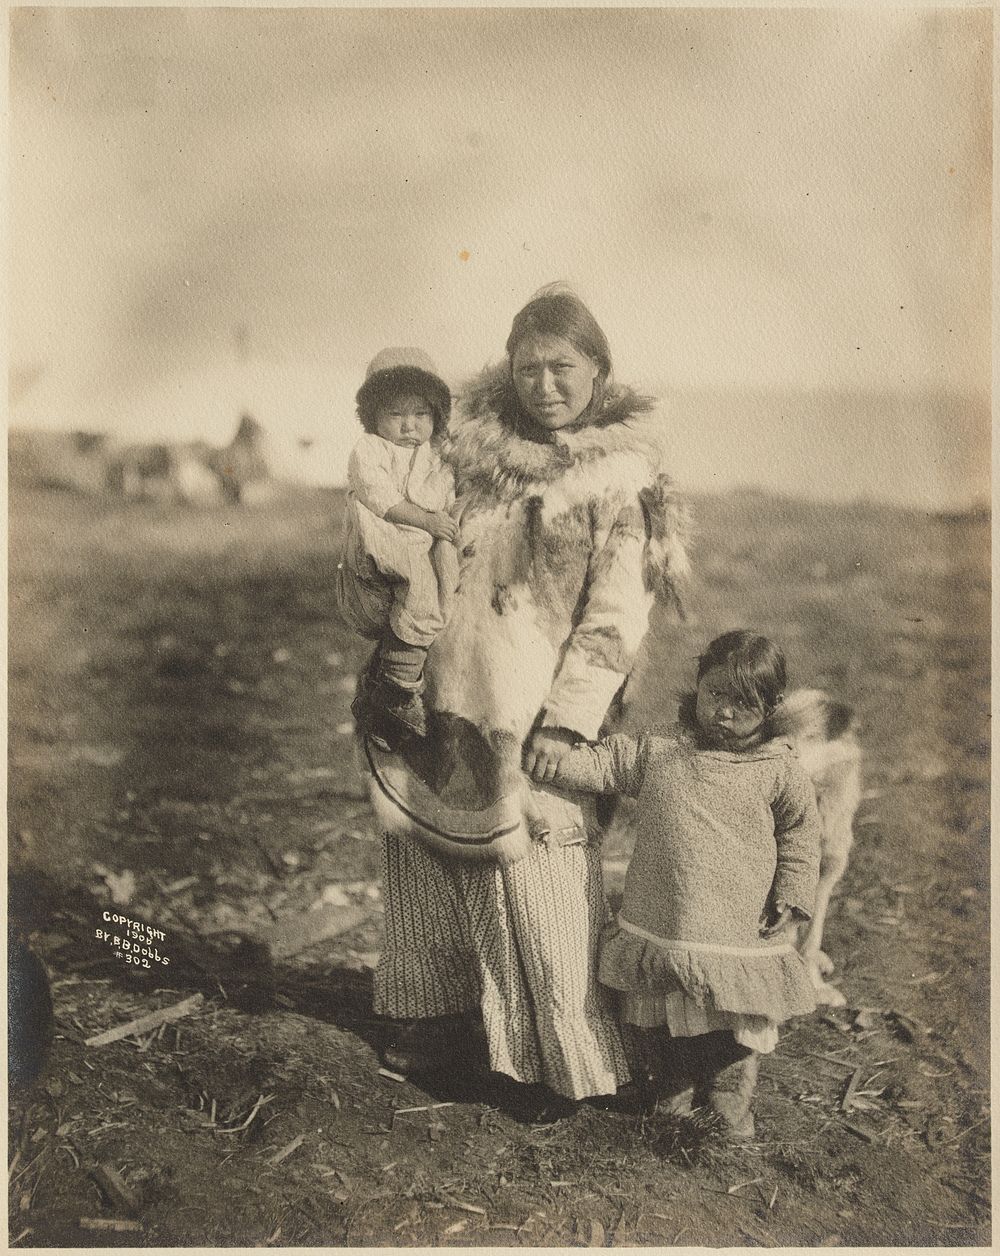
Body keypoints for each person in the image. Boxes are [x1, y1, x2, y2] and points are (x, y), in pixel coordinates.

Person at [366, 285, 691, 1108]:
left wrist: (569, 720)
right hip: (443, 692)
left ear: (599, 371)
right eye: (528, 369)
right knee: (428, 861)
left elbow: (619, 612)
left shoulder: (622, 476)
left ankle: (562, 1067)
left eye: (562, 368)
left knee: (538, 872)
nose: (544, 385)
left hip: (534, 710)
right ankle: (440, 1030)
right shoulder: (469, 456)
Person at [548, 630, 822, 1139]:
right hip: (665, 915)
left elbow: (801, 832)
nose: (723, 713)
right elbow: (610, 762)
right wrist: (557, 760)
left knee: (731, 1017)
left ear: (773, 705)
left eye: (743, 703)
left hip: (736, 924)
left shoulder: (778, 768)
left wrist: (792, 890)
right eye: (714, 694)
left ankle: (728, 1092)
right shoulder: (663, 748)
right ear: (697, 686)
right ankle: (671, 1083)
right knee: (664, 1008)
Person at [336, 348, 459, 746]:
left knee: (443, 582)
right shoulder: (369, 450)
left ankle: (392, 685)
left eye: (421, 414)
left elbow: (449, 495)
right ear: (373, 416)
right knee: (420, 585)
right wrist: (427, 520)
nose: (409, 426)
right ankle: (396, 695)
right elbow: (379, 498)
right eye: (395, 414)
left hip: (416, 544)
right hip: (376, 549)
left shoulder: (436, 456)